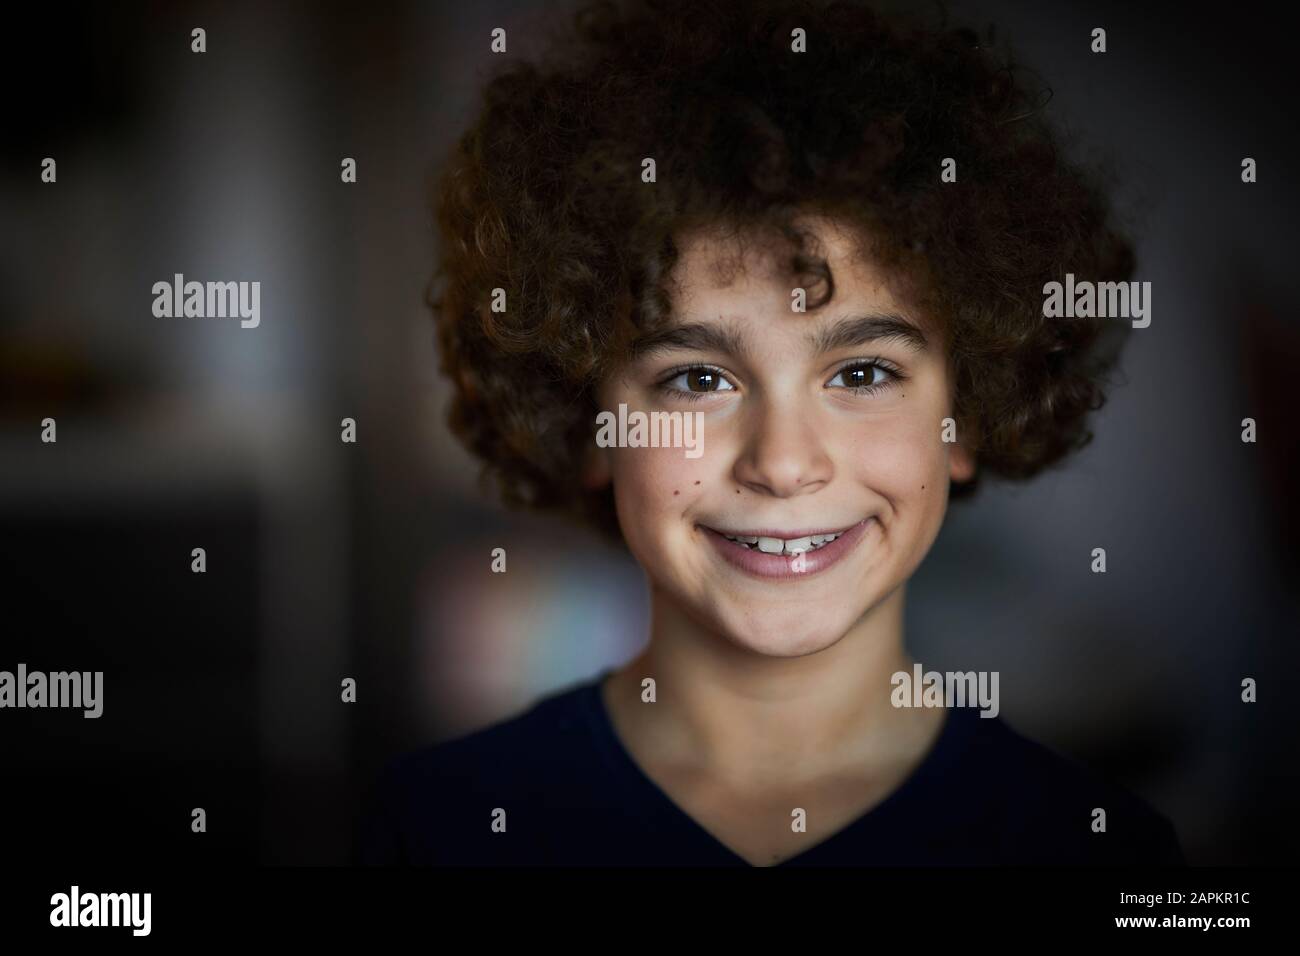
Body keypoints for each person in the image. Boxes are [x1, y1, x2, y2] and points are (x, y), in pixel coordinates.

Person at [359, 0, 1183, 866]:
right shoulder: (439, 830)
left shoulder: (1100, 853)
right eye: (697, 379)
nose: (784, 464)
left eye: (862, 375)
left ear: (965, 418)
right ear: (590, 426)